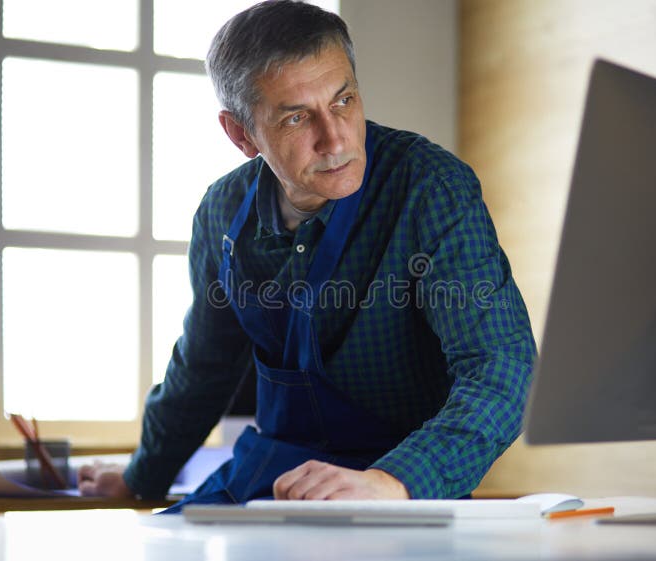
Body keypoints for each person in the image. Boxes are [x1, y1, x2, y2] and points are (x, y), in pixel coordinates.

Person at [78, 0, 536, 510]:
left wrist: (394, 482)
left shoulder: (431, 189)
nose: (335, 138)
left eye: (344, 101)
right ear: (242, 134)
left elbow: (502, 366)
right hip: (269, 480)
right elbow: (201, 371)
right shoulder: (221, 213)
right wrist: (141, 477)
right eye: (298, 117)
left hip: (400, 491)